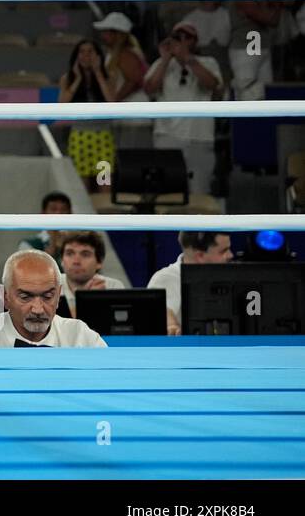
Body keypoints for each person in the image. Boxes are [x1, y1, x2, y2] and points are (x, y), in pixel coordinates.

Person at [0, 250, 107, 348]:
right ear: (5, 296)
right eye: (25, 297)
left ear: (59, 294)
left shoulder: (81, 337)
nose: (38, 309)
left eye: (48, 297)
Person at [142, 20, 223, 196]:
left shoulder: (208, 62)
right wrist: (165, 59)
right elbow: (149, 89)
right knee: (167, 192)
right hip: (167, 137)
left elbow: (213, 85)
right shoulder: (160, 64)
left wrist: (189, 60)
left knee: (199, 192)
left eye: (187, 37)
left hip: (199, 137)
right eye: (178, 37)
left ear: (195, 41)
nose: (182, 40)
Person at [147, 231, 233, 335]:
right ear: (200, 256)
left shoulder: (234, 276)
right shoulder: (165, 278)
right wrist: (172, 326)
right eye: (223, 251)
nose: (230, 255)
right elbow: (161, 314)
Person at [59, 38, 115, 191]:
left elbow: (112, 103)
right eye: (82, 52)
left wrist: (98, 73)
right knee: (81, 188)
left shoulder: (108, 77)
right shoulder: (67, 79)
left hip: (102, 137)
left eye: (90, 52)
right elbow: (62, 106)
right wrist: (77, 79)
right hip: (79, 137)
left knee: (104, 184)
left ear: (98, 55)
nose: (86, 56)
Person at [57, 231, 124, 318]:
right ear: (62, 260)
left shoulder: (113, 287)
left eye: (85, 254)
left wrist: (101, 301)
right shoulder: (50, 285)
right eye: (70, 253)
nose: (76, 261)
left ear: (99, 262)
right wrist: (86, 302)